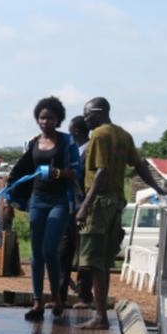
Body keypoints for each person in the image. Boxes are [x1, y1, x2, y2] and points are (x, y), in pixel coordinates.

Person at [76, 97, 167, 330]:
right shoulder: (124, 135)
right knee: (105, 261)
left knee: (94, 262)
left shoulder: (99, 135)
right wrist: (159, 188)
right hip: (117, 203)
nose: (85, 119)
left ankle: (100, 317)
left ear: (100, 112)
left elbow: (102, 171)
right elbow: (139, 165)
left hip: (99, 202)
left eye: (87, 114)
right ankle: (101, 315)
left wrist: (85, 205)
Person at [5, 97, 84, 321]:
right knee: (35, 254)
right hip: (37, 200)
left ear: (58, 119)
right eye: (41, 117)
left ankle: (57, 297)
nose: (45, 122)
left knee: (50, 249)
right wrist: (9, 198)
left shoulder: (67, 142)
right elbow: (21, 170)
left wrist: (58, 173)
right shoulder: (31, 142)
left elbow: (76, 172)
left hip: (60, 200)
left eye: (49, 118)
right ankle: (38, 302)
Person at [59, 116, 94, 309]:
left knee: (83, 255)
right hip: (67, 209)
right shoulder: (73, 152)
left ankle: (84, 298)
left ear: (76, 132)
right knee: (62, 253)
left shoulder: (90, 151)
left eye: (70, 130)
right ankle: (60, 296)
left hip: (82, 210)